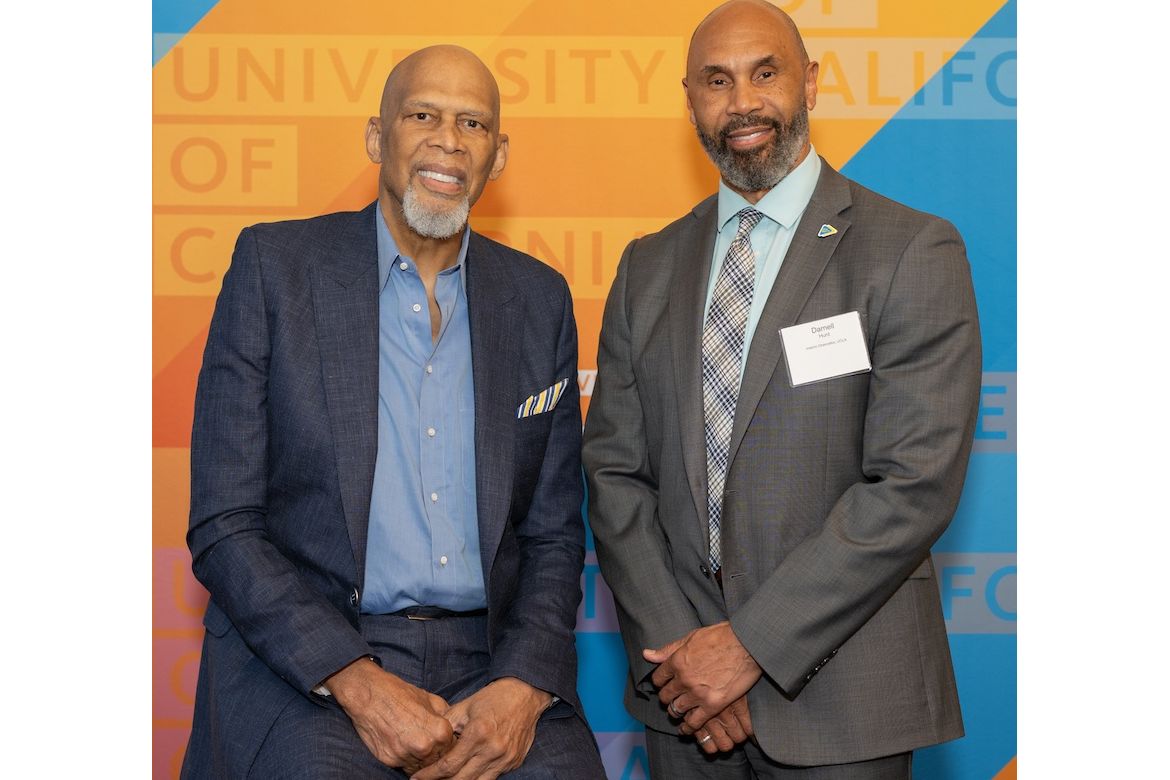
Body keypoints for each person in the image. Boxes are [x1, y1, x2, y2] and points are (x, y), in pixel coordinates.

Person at [582, 1, 982, 777]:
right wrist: (685, 659)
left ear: (811, 82)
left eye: (766, 73)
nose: (742, 103)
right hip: (684, 707)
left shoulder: (908, 249)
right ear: (690, 100)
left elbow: (911, 484)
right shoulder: (647, 266)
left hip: (842, 707)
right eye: (716, 81)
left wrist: (749, 646)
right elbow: (615, 476)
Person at [182, 45, 605, 779]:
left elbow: (552, 535)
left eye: (472, 123)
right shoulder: (274, 269)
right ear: (378, 137)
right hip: (317, 661)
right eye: (423, 115)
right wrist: (354, 679)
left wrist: (523, 684)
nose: (449, 139)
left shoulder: (539, 300)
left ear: (497, 155)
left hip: (491, 659)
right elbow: (225, 523)